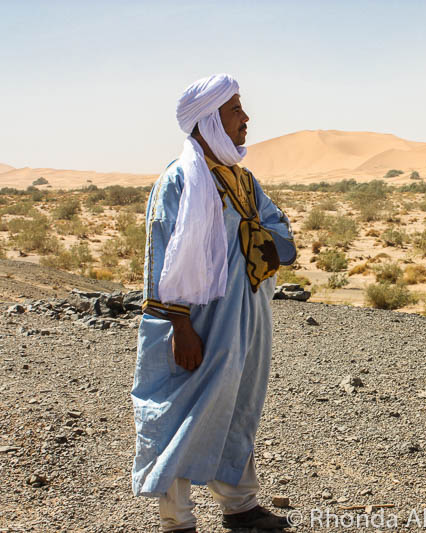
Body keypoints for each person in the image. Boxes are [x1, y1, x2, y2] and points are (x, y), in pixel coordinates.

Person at [131, 73, 296, 533]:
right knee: (181, 411)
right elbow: (160, 259)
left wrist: (264, 239)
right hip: (196, 323)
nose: (246, 119)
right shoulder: (180, 181)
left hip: (247, 318)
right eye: (235, 110)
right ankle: (176, 520)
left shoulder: (243, 180)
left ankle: (240, 506)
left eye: (242, 109)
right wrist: (180, 327)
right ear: (208, 121)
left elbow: (281, 234)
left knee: (238, 404)